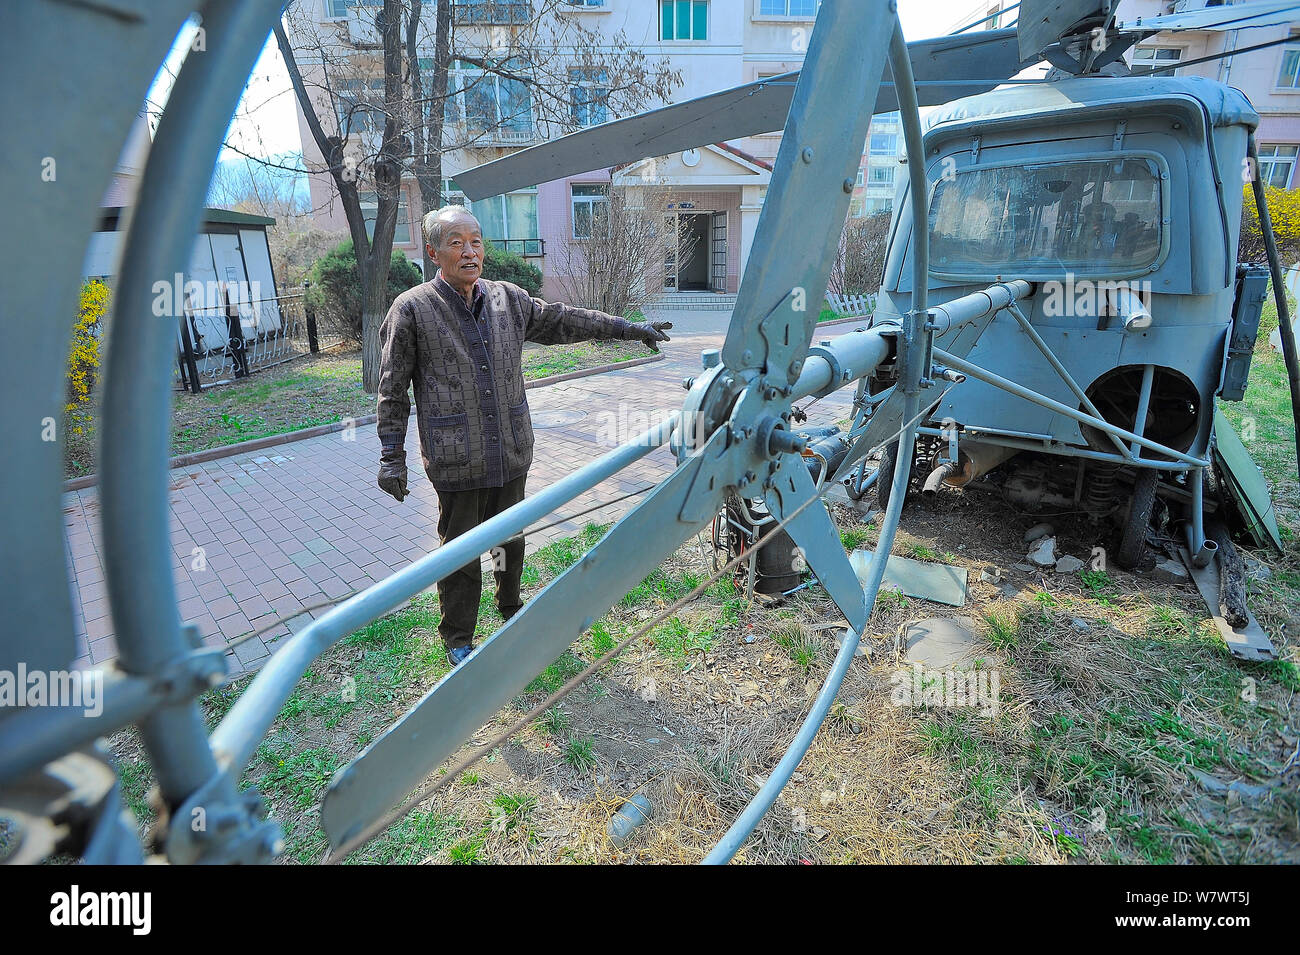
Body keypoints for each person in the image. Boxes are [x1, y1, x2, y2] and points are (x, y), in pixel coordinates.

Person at [376, 206, 671, 666]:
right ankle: (458, 636)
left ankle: (510, 607)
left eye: (475, 241)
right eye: (456, 242)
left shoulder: (505, 299)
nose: (470, 251)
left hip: (510, 448)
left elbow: (563, 320)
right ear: (434, 252)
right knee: (460, 549)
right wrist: (391, 455)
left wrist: (627, 328)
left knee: (510, 538)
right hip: (456, 457)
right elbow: (392, 388)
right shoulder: (412, 309)